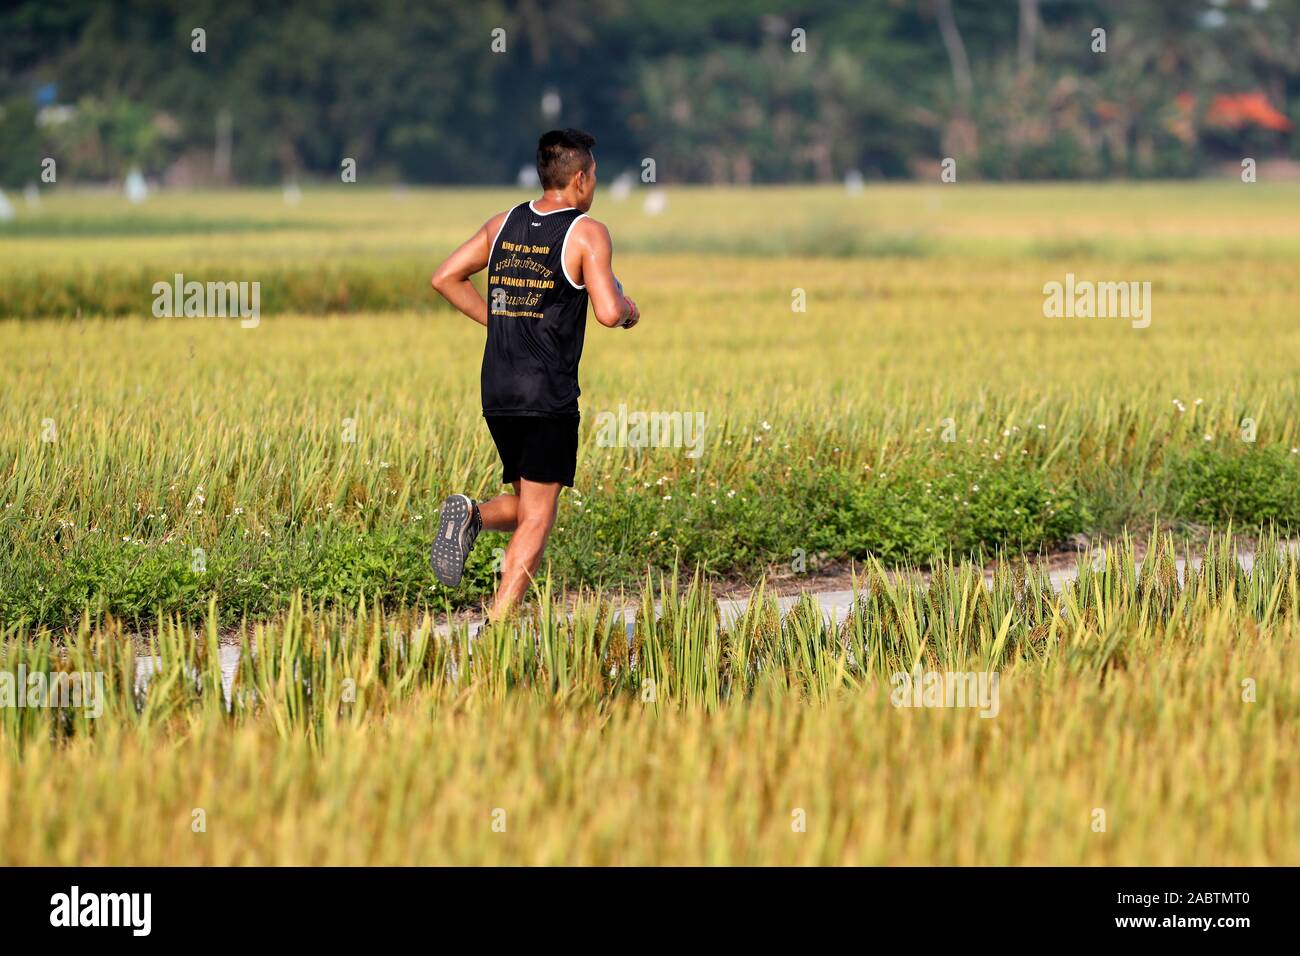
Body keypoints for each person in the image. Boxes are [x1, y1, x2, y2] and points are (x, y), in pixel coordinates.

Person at [429, 128, 639, 619]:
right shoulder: (587, 232)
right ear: (581, 178)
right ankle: (497, 627)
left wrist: (498, 322)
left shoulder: (502, 224)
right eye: (595, 177)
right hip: (547, 395)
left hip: (498, 388)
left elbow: (444, 277)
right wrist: (630, 309)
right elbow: (608, 313)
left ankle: (473, 515)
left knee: (527, 505)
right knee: (540, 517)